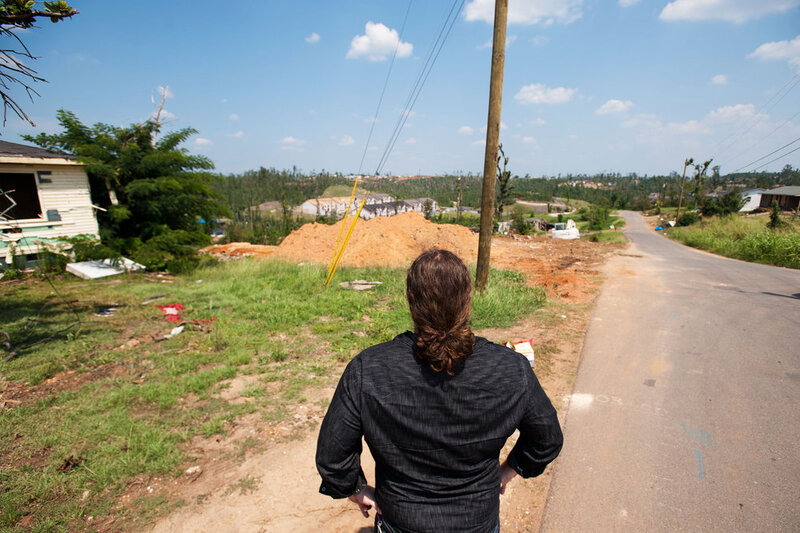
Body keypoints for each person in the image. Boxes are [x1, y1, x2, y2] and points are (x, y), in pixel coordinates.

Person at [316, 249, 563, 533]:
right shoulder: (511, 369)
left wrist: (357, 490)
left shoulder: (367, 369)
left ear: (410, 301)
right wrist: (508, 470)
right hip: (476, 523)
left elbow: (332, 456)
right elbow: (547, 438)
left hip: (401, 522)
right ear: (468, 300)